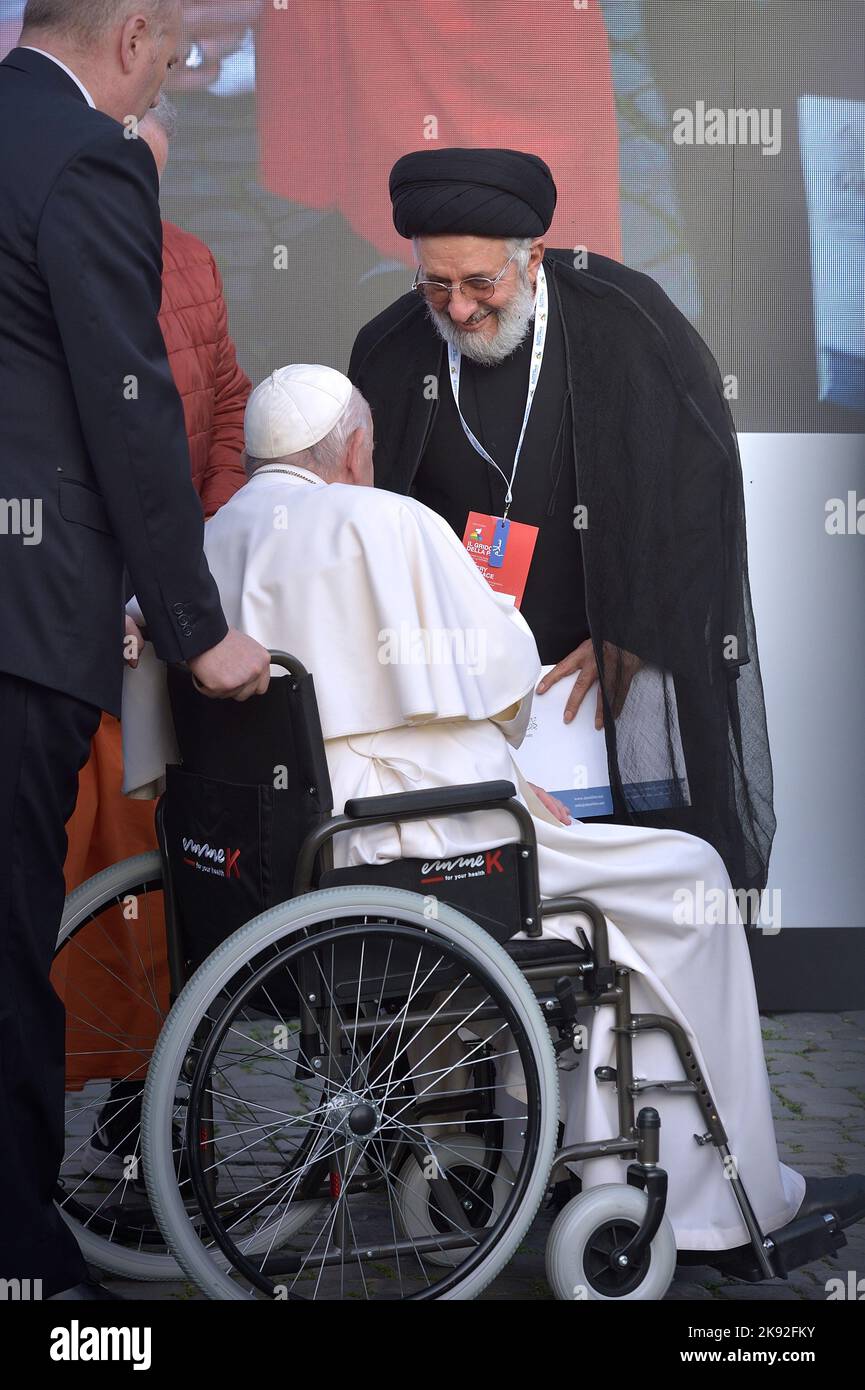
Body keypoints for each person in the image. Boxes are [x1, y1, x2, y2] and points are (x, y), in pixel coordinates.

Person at [122, 365, 865, 1272]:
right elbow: (502, 670)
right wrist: (501, 762)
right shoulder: (386, 520)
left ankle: (568, 1158)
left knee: (613, 902)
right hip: (418, 848)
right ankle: (717, 1201)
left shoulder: (207, 541)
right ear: (353, 447)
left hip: (269, 863)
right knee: (686, 879)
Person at [0, 0, 270, 1301]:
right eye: (172, 55)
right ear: (133, 36)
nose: (172, 74)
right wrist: (198, 631)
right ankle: (27, 1273)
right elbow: (129, 403)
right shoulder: (89, 154)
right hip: (24, 623)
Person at [348, 146, 774, 901]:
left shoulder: (626, 321)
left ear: (533, 257)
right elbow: (366, 528)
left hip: (608, 665)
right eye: (435, 284)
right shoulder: (388, 350)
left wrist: (633, 629)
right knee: (484, 885)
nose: (458, 309)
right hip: (460, 686)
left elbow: (699, 490)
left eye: (481, 282)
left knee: (626, 882)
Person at [60, 95, 252, 1174]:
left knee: (164, 883)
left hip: (168, 633)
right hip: (64, 628)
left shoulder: (193, 262)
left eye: (149, 127)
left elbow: (225, 418)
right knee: (69, 874)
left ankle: (158, 1138)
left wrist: (180, 582)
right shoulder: (36, 254)